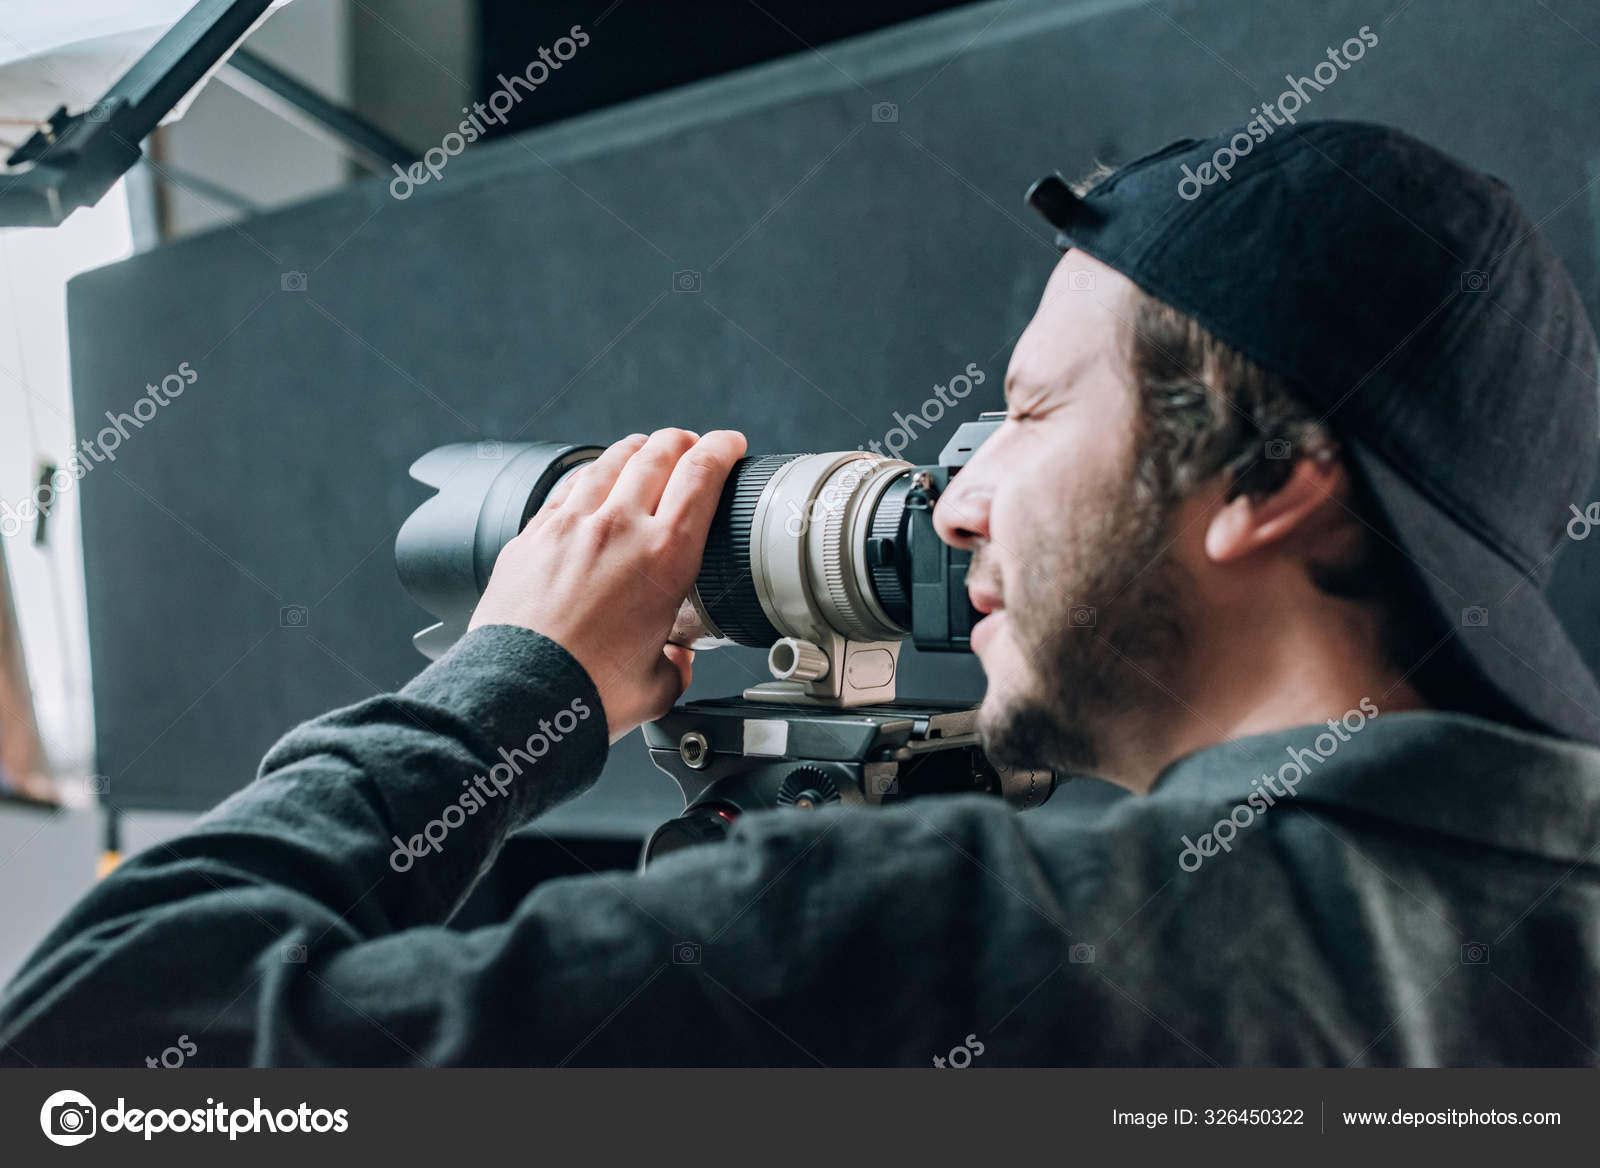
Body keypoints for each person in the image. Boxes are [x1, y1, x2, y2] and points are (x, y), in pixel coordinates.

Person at [3, 120, 1599, 1067]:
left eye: (1034, 414)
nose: (960, 500)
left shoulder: (951, 946)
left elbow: (91, 1057)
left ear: (1271, 479)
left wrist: (506, 692)